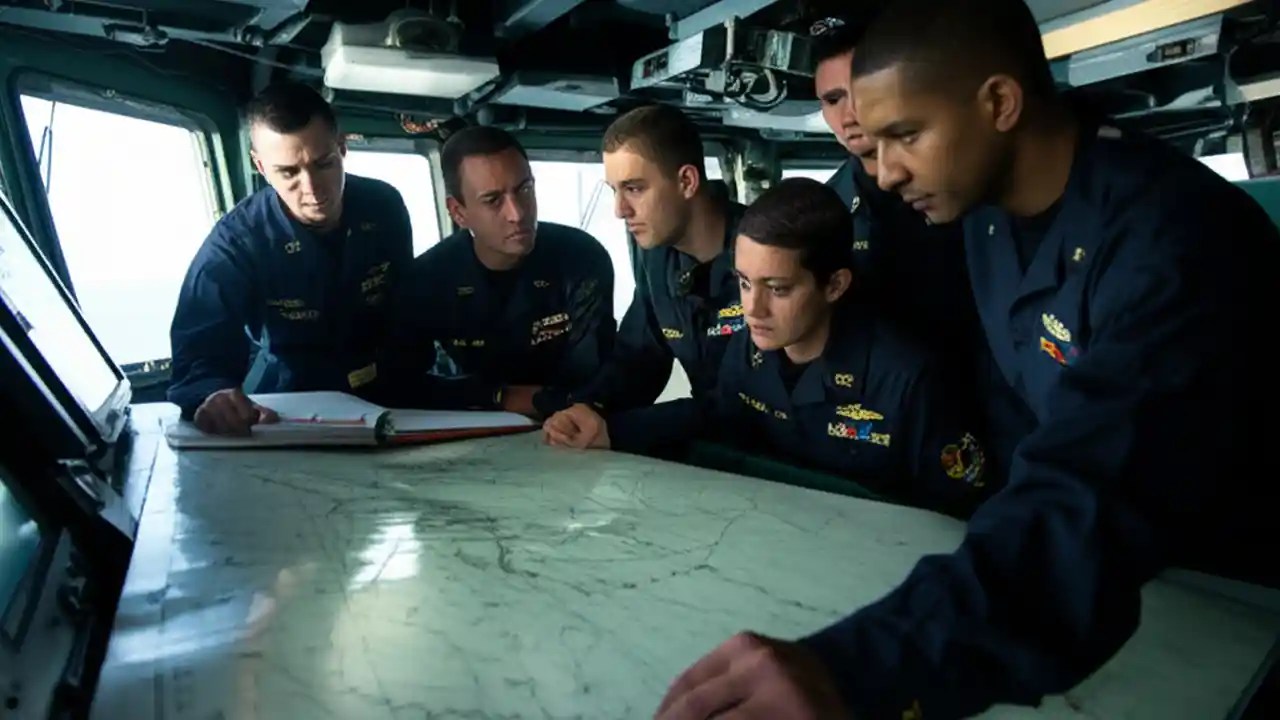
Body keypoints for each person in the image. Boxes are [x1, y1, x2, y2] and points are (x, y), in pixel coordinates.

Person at [654, 0, 1277, 718]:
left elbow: (1089, 494)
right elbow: (1015, 407)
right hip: (1093, 581)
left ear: (1000, 103)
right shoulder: (983, 219)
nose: (884, 174)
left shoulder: (1170, 240)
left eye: (906, 135)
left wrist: (857, 667)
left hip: (1240, 593)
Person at [558, 178, 989, 515]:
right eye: (744, 284)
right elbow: (715, 414)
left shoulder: (907, 379)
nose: (753, 308)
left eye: (778, 289)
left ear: (835, 285)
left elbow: (954, 512)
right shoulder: (750, 350)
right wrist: (611, 428)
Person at [168, 81, 412, 436]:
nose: (312, 188)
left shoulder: (385, 205)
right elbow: (199, 346)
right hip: (284, 404)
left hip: (386, 393)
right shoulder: (236, 241)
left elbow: (406, 307)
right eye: (288, 172)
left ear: (342, 148)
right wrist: (214, 395)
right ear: (260, 166)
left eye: (323, 163)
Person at [543, 104, 746, 448]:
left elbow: (747, 403)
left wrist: (618, 431)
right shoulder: (655, 257)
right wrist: (587, 409)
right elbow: (638, 359)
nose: (620, 210)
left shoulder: (769, 252)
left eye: (634, 189)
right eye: (614, 191)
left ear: (686, 181)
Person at [381, 126, 615, 419]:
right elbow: (400, 385)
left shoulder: (581, 259)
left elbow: (595, 380)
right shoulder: (428, 280)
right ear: (458, 212)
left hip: (576, 423)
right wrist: (496, 395)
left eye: (524, 190)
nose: (517, 213)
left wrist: (542, 401)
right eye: (493, 201)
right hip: (474, 426)